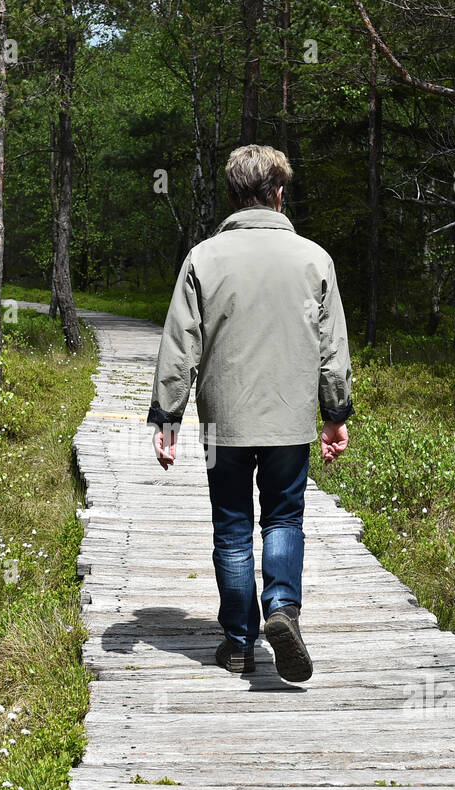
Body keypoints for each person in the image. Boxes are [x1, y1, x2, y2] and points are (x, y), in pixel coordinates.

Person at [147, 144, 353, 684]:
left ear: (236, 195)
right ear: (278, 194)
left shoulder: (203, 258)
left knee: (232, 528)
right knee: (284, 517)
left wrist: (167, 419)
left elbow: (179, 346)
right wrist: (335, 414)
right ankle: (282, 607)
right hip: (289, 420)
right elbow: (333, 349)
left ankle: (238, 643)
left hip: (224, 424)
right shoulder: (314, 259)